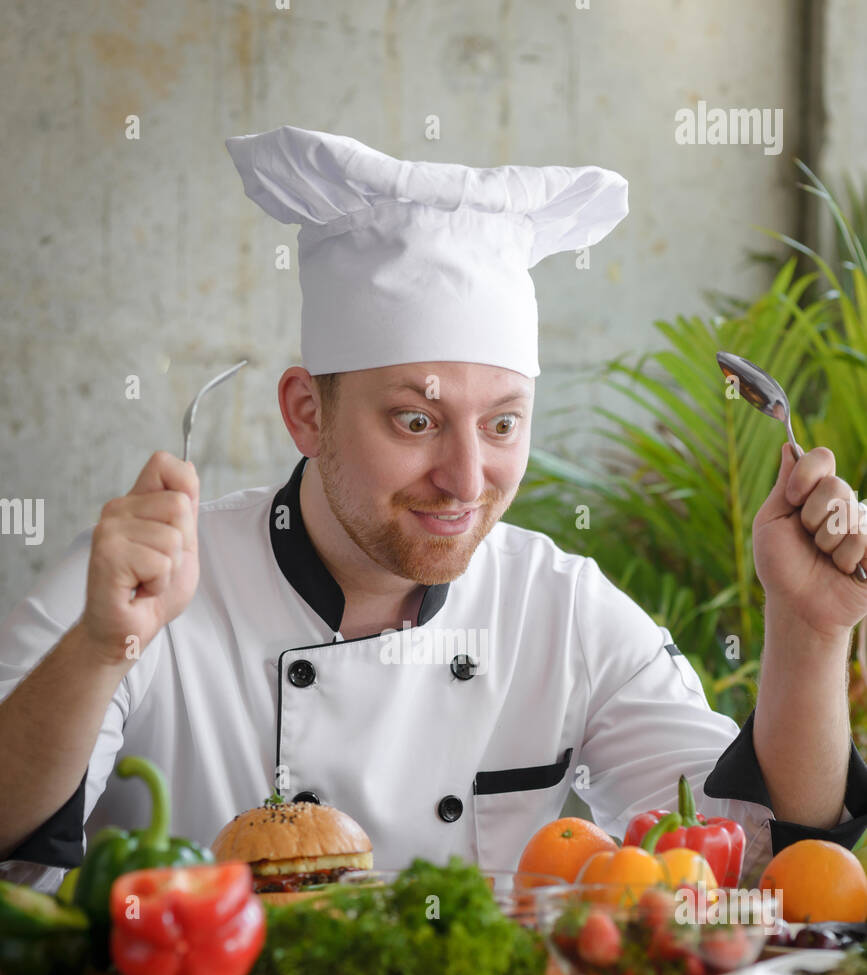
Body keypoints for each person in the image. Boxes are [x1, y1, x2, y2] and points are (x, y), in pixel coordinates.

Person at [2, 125, 867, 896]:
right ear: (306, 413)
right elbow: (9, 856)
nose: (464, 479)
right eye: (415, 421)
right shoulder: (145, 583)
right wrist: (98, 649)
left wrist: (808, 631)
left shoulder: (559, 607)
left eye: (501, 425)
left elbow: (756, 860)